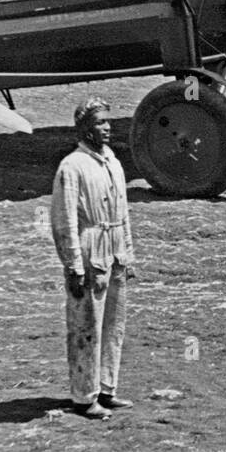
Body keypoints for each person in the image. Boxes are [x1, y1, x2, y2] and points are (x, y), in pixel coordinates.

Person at [51, 99, 136, 420]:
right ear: (85, 127)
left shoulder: (113, 162)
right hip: (89, 250)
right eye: (100, 122)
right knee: (86, 324)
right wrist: (73, 264)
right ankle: (84, 397)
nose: (107, 127)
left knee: (114, 324)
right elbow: (64, 220)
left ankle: (106, 388)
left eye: (108, 121)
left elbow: (123, 213)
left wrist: (128, 253)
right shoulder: (71, 167)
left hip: (114, 249)